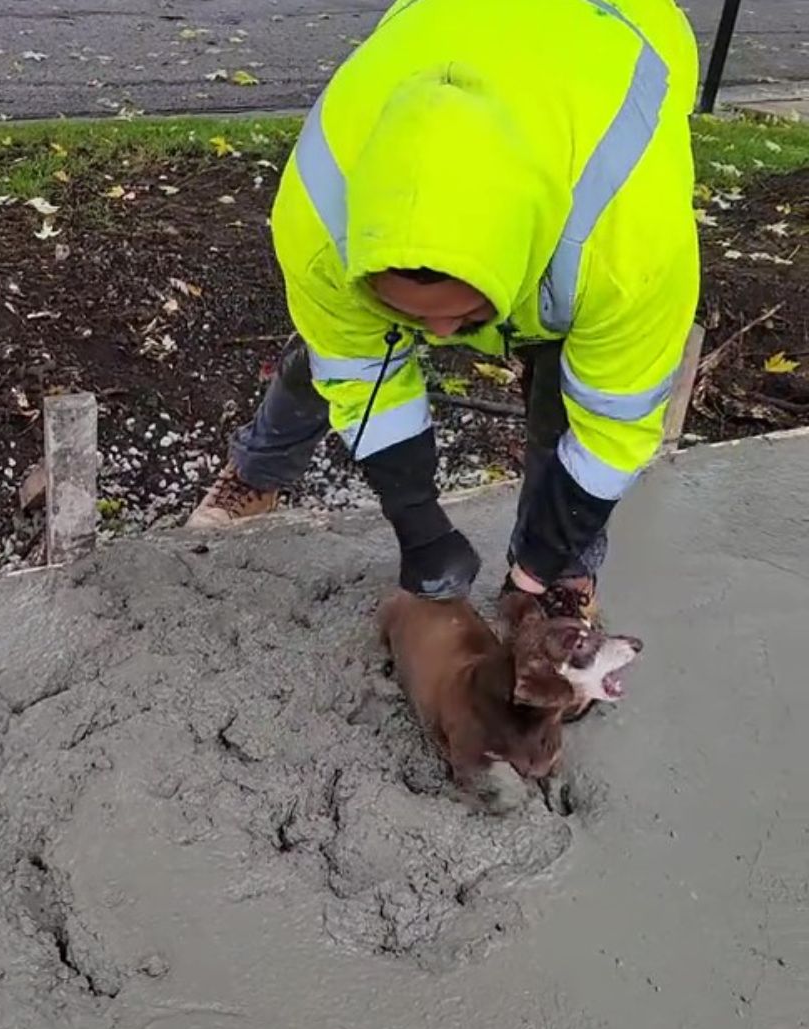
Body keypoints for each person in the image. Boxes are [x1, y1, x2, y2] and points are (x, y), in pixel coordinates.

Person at [185, 0, 699, 620]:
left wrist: (538, 561)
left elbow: (612, 429)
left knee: (563, 399)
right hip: (446, 28)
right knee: (323, 355)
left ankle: (563, 577)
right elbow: (354, 365)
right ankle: (257, 472)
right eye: (407, 309)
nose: (439, 336)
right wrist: (418, 525)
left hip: (616, 34)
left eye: (461, 314)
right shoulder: (319, 215)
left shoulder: (626, 249)